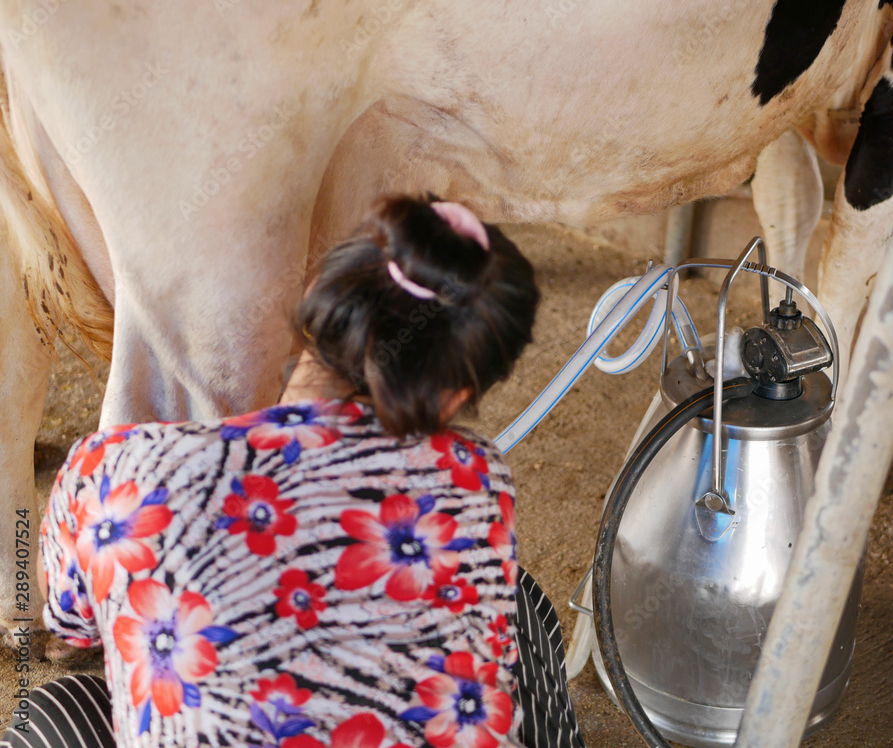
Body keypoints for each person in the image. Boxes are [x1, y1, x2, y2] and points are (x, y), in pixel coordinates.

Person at [4, 197, 584, 748]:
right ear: (456, 394)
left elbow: (73, 621)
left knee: (62, 705)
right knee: (522, 608)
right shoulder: (478, 481)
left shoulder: (109, 473)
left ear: (314, 299)